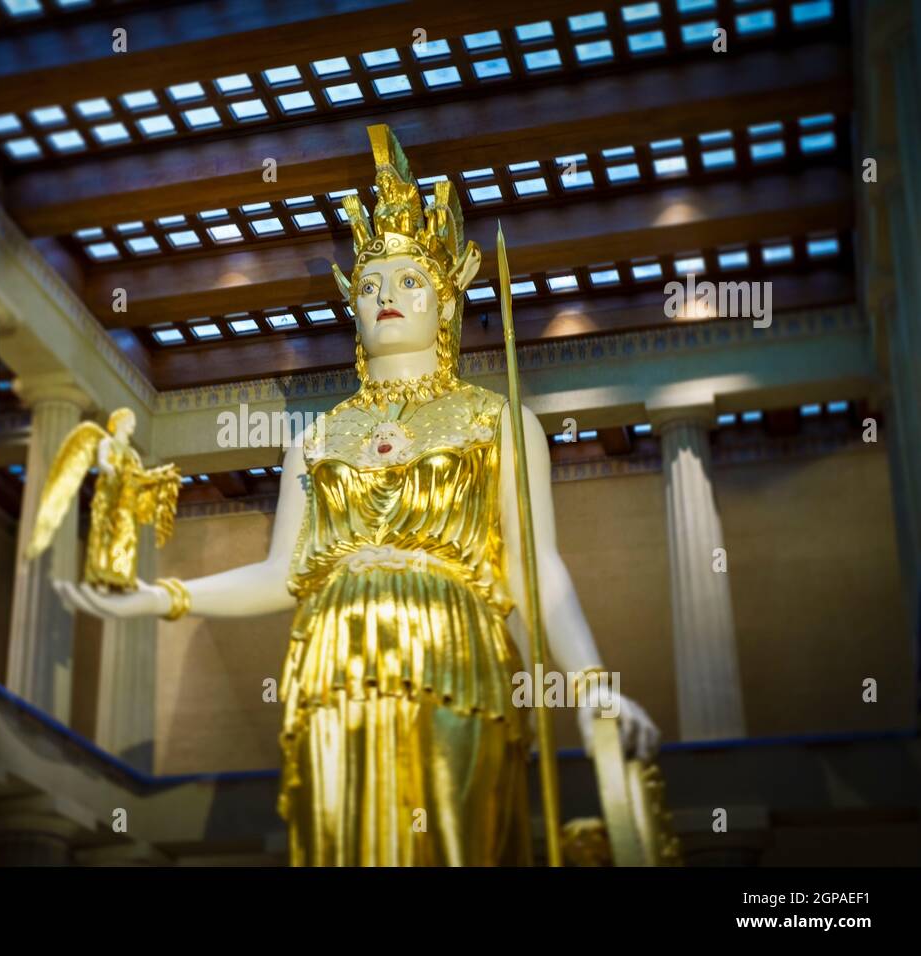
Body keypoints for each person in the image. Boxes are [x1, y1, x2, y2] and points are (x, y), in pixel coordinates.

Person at [54, 125, 659, 866]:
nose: (387, 298)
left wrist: (592, 685)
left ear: (445, 301)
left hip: (454, 655)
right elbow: (286, 575)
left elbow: (533, 567)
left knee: (455, 843)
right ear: (353, 312)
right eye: (370, 287)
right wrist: (164, 598)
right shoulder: (313, 443)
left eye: (409, 282)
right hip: (333, 664)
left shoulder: (499, 420)